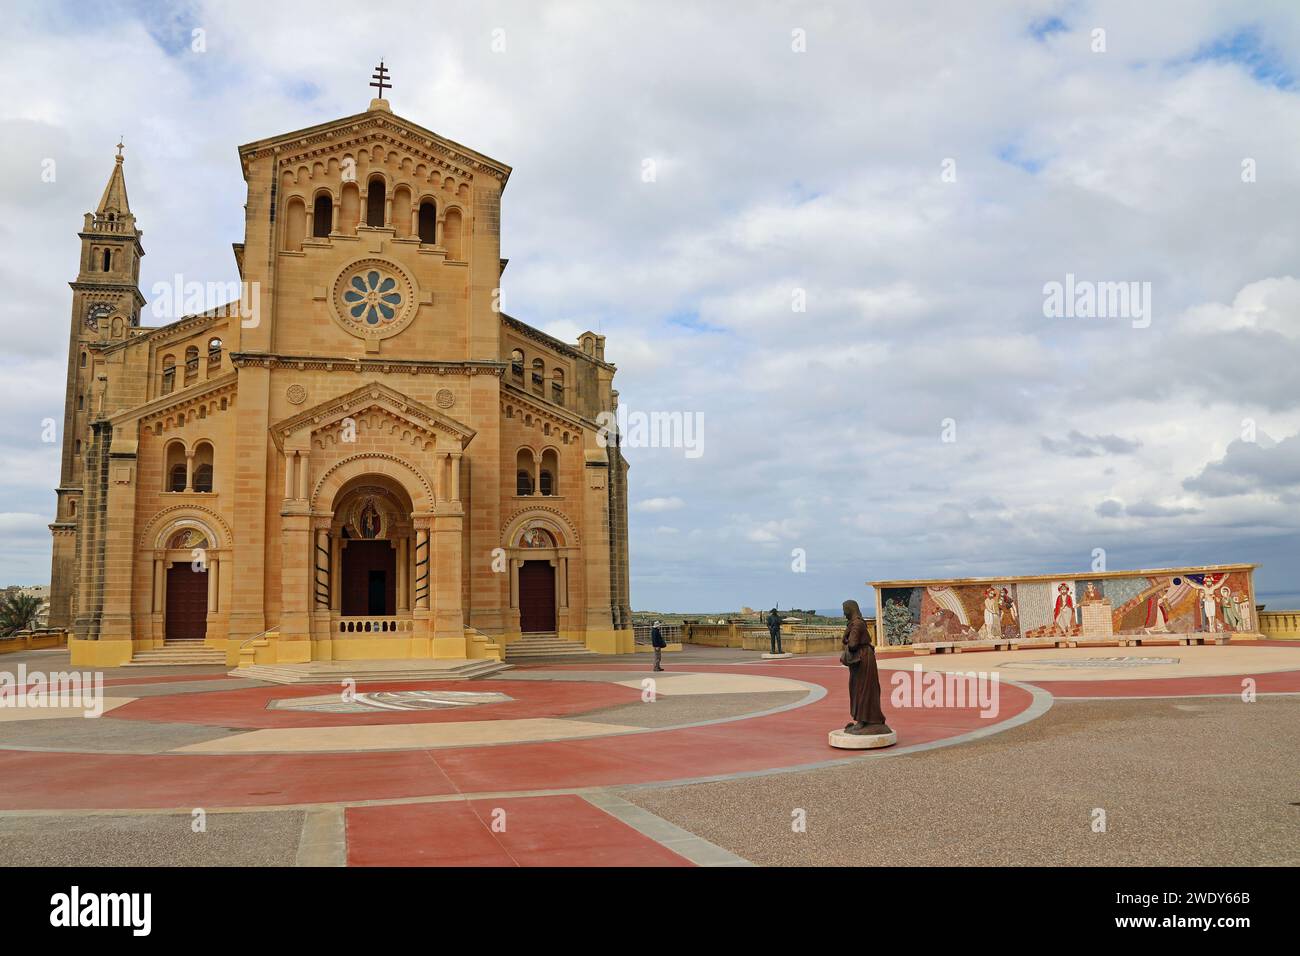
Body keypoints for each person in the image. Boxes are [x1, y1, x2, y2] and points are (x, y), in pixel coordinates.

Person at [840, 599, 890, 735]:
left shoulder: (857, 624)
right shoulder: (855, 623)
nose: (843, 613)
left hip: (862, 659)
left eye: (845, 610)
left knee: (863, 689)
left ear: (850, 609)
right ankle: (863, 720)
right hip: (862, 659)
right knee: (859, 688)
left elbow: (852, 645)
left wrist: (845, 639)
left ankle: (865, 720)